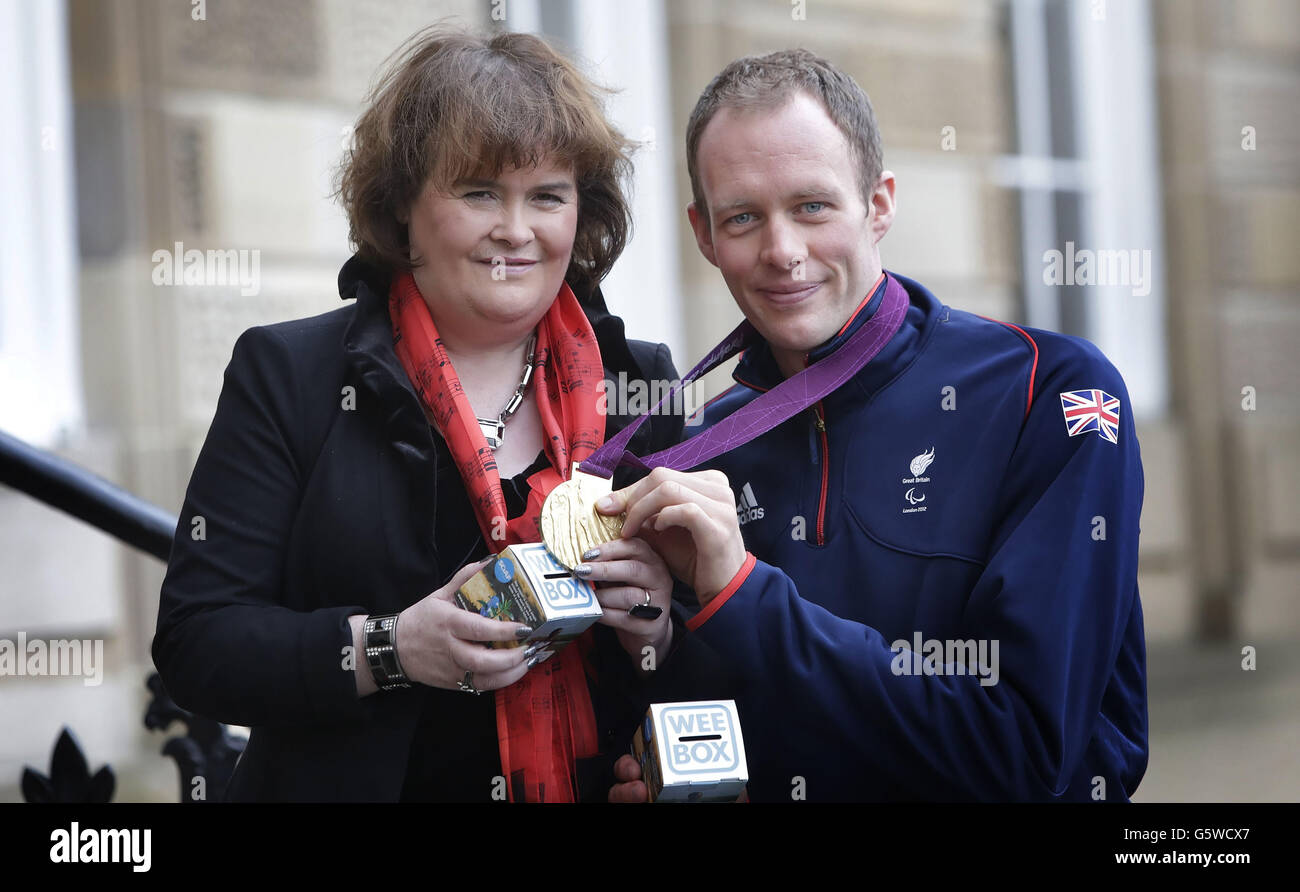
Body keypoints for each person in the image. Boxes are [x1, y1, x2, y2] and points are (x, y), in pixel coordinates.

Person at [597, 49, 1148, 802]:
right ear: (704, 234)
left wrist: (743, 595)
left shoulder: (1050, 393)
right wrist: (662, 673)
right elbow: (743, 722)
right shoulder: (706, 448)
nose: (782, 252)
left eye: (812, 206)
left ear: (879, 204)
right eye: (743, 217)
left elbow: (1022, 753)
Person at [152, 26, 680, 803]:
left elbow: (715, 657)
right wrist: (391, 648)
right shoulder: (291, 376)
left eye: (547, 195)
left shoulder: (644, 387)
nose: (516, 229)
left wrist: (656, 631)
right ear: (403, 205)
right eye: (477, 192)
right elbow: (198, 645)